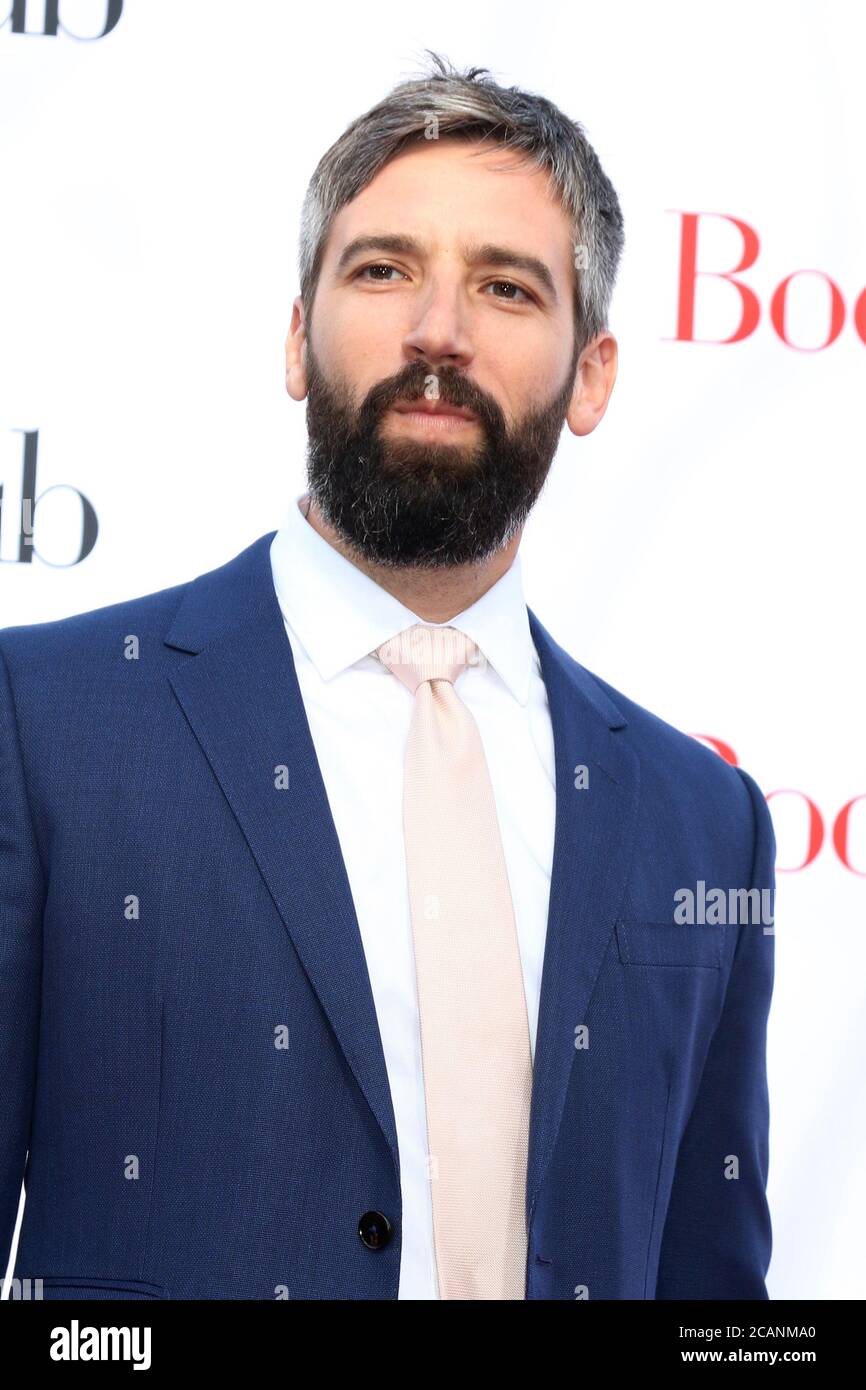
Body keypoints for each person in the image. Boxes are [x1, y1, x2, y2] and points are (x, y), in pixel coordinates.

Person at [0, 52, 774, 1301]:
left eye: (506, 287)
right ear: (298, 340)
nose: (437, 331)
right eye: (382, 270)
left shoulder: (702, 821)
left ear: (590, 376)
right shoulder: (47, 725)